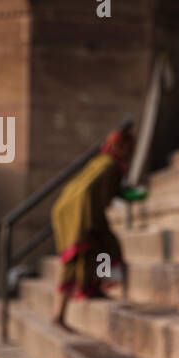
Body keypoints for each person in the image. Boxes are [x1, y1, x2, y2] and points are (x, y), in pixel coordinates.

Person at [50, 118, 143, 329]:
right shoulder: (112, 166)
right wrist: (128, 194)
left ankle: (93, 288)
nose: (130, 151)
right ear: (122, 147)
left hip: (66, 209)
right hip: (82, 211)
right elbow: (101, 194)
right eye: (129, 147)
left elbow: (100, 189)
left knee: (88, 253)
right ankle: (61, 314)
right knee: (103, 247)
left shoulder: (101, 160)